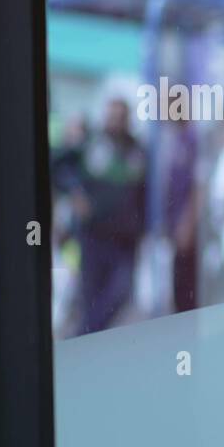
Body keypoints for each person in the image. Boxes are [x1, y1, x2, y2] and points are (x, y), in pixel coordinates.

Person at [72, 98, 148, 334]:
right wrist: (75, 196)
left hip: (124, 240)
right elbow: (63, 170)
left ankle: (85, 335)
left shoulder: (137, 152)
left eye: (120, 117)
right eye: (112, 116)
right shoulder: (91, 146)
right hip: (94, 236)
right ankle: (86, 340)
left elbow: (145, 192)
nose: (115, 122)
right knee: (91, 296)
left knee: (120, 293)